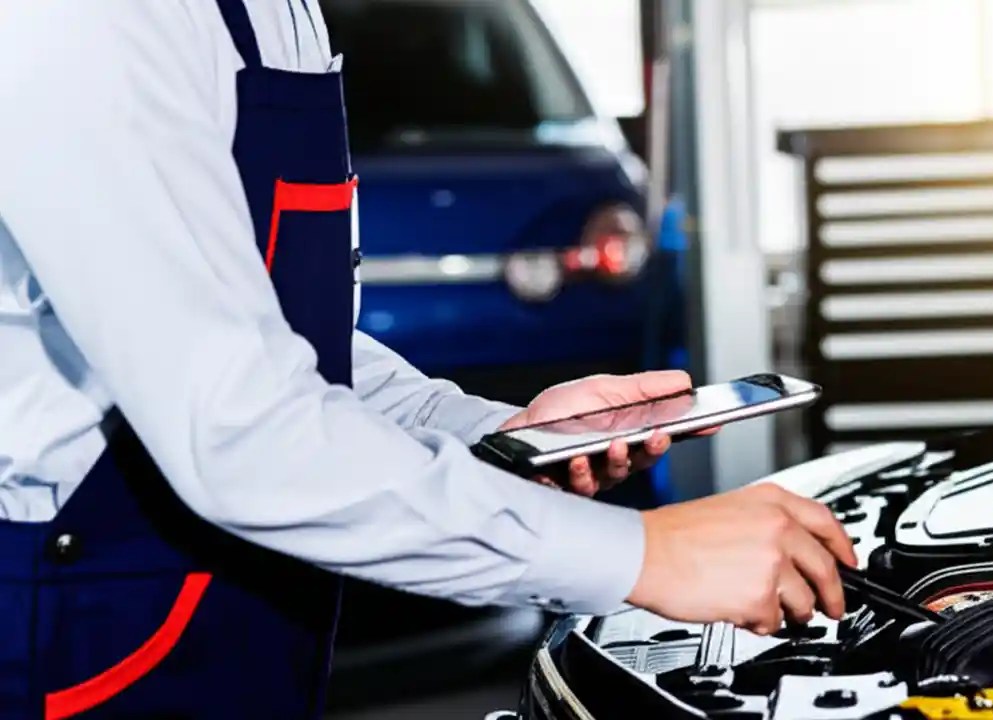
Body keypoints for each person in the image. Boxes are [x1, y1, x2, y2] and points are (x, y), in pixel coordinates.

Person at [0, 1, 855, 717]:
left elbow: (273, 332)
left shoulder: (274, 12)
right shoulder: (90, 18)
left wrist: (495, 436)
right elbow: (241, 430)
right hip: (85, 632)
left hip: (233, 623)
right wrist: (645, 557)